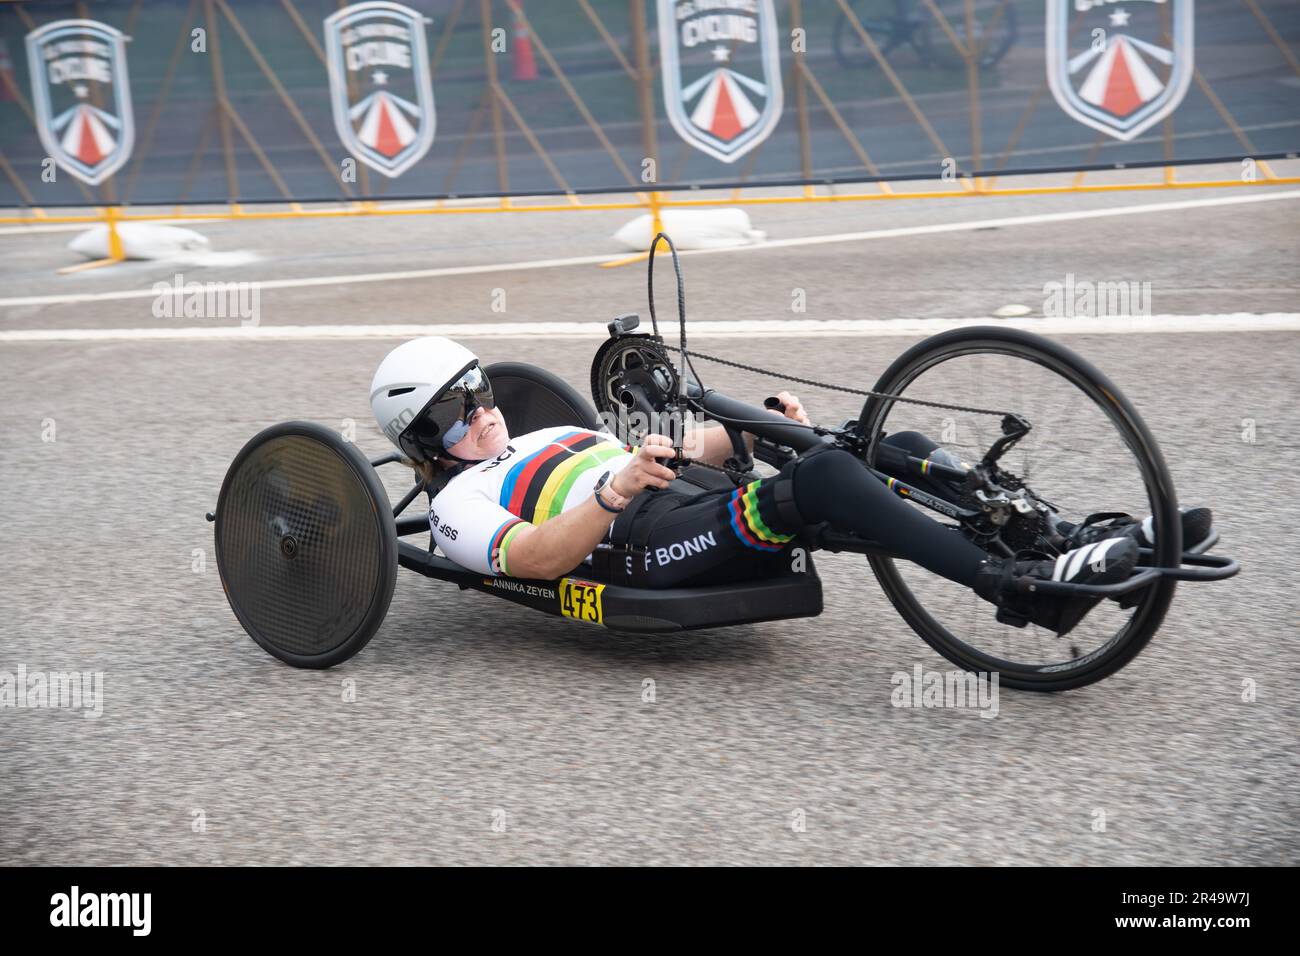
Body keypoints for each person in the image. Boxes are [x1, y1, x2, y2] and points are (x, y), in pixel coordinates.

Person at [370, 337, 1211, 637]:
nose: (480, 416)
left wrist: (771, 427)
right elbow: (541, 558)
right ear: (421, 441)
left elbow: (682, 447)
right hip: (642, 549)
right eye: (452, 413)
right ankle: (1020, 591)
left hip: (672, 500)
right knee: (828, 482)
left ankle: (1068, 546)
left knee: (880, 446)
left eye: (478, 391)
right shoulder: (453, 509)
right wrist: (615, 491)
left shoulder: (550, 431)